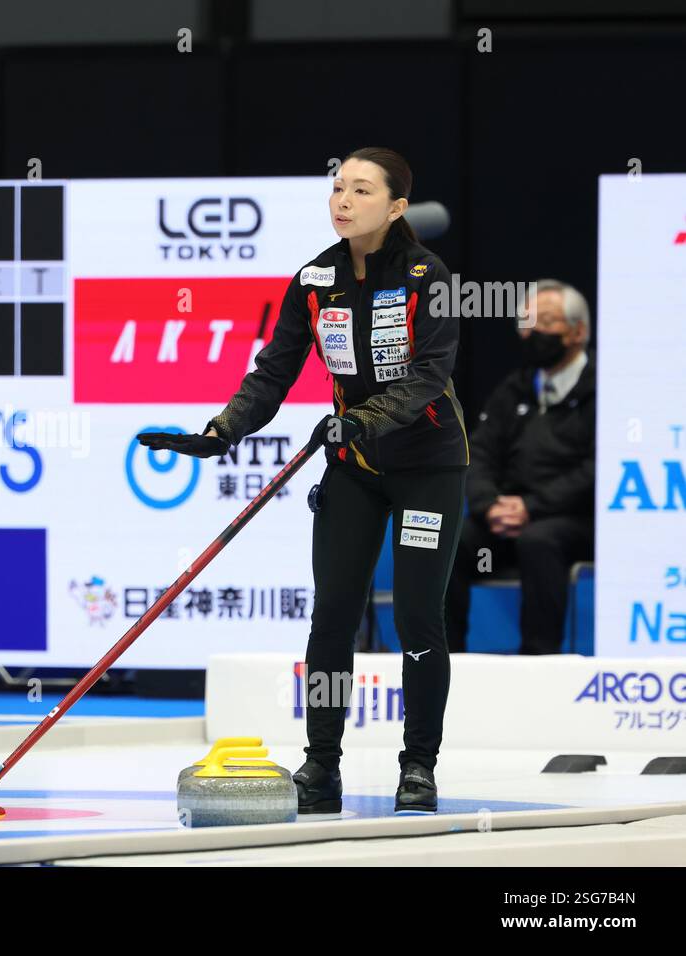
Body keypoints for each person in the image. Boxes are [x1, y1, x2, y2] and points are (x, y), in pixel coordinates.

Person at [139, 147, 468, 814]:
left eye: (362, 190)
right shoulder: (314, 279)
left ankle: (418, 767)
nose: (343, 199)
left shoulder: (427, 276)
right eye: (338, 186)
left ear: (397, 207)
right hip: (353, 465)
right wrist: (219, 433)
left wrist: (367, 418)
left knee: (416, 618)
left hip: (427, 467)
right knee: (331, 619)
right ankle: (321, 766)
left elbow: (428, 374)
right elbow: (273, 372)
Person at [445, 280, 595, 654]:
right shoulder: (513, 391)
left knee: (539, 539)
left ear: (578, 332)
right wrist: (489, 505)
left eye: (546, 322)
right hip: (503, 526)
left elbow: (599, 469)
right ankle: (444, 662)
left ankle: (539, 660)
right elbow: (477, 454)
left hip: (574, 523)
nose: (533, 333)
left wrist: (533, 507)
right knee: (451, 542)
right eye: (527, 323)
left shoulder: (602, 391)